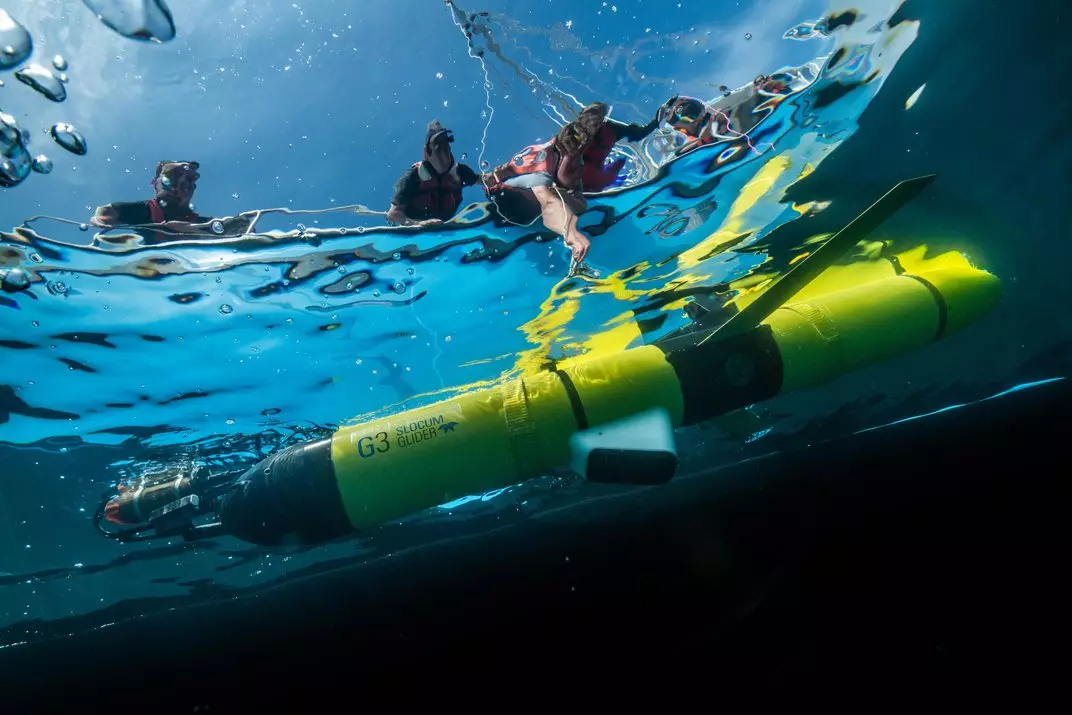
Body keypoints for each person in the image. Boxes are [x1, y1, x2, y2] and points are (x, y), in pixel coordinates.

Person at [481, 119, 596, 270]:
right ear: (560, 156)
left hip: (523, 196)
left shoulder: (562, 164)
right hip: (508, 207)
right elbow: (548, 202)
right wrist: (570, 232)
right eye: (575, 161)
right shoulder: (541, 172)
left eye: (581, 159)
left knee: (578, 203)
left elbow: (579, 204)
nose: (581, 169)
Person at [89, 160, 250, 243]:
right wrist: (102, 220)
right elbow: (105, 211)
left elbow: (243, 227)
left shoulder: (205, 223)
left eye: (189, 179)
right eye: (174, 176)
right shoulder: (145, 212)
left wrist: (242, 228)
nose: (182, 183)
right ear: (156, 185)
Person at [386, 120, 481, 227]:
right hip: (417, 227)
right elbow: (393, 214)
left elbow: (485, 180)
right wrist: (419, 224)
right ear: (428, 151)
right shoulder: (413, 176)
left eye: (446, 142)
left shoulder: (461, 172)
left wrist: (501, 173)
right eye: (438, 145)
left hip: (448, 222)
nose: (443, 150)